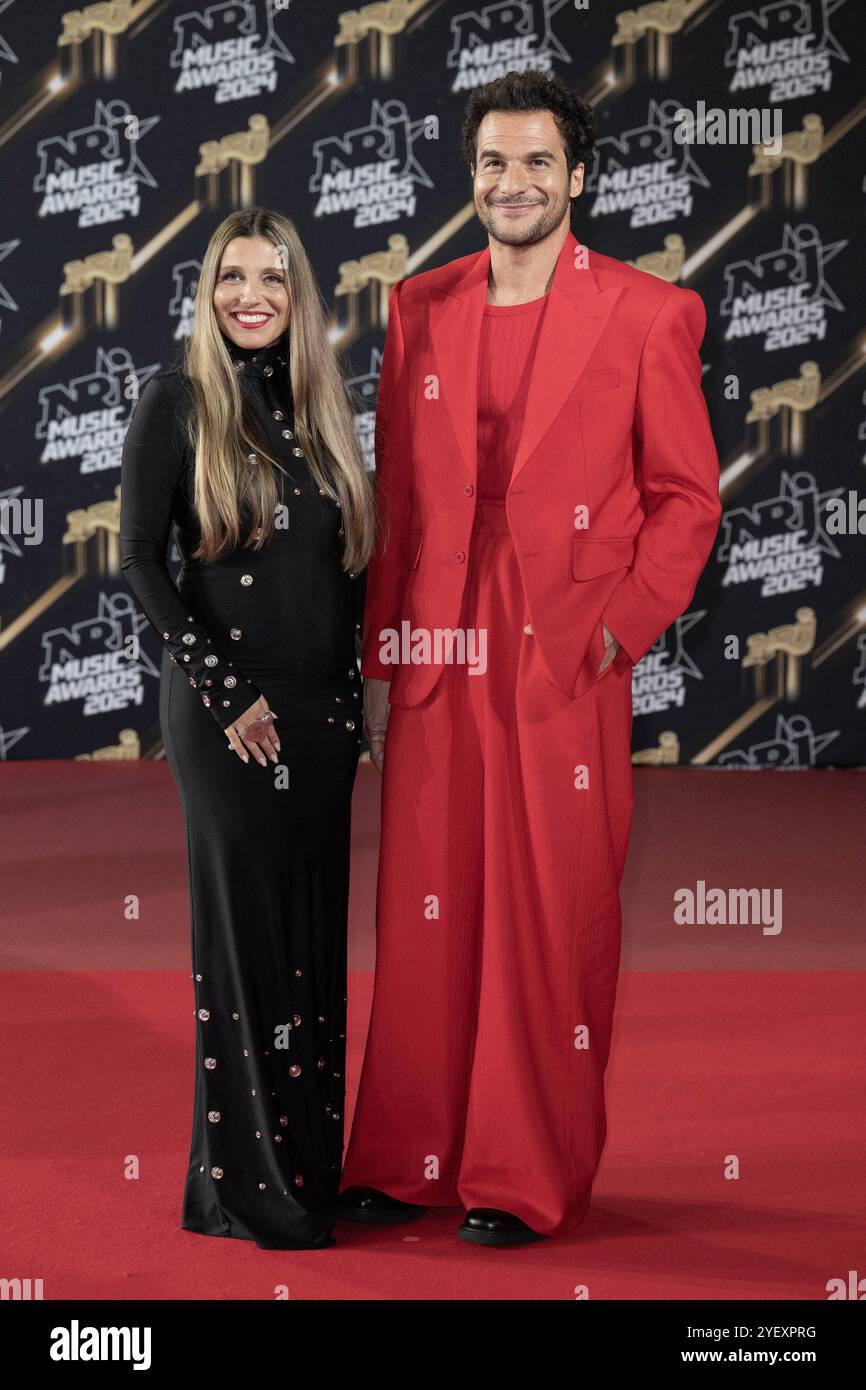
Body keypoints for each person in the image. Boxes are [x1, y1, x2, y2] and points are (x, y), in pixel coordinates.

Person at [337, 70, 722, 1244]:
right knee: (423, 910)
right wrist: (380, 660)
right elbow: (400, 503)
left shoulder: (649, 313)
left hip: (561, 650)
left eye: (537, 163)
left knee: (545, 912)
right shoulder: (419, 305)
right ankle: (409, 1155)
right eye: (494, 163)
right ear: (471, 174)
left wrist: (614, 628)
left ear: (578, 175)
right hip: (439, 643)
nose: (513, 183)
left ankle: (519, 1173)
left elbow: (686, 500)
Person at [120, 207, 375, 1250]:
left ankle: (308, 1168)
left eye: (272, 276)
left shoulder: (320, 410)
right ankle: (243, 1186)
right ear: (208, 290)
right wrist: (229, 698)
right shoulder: (175, 400)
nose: (251, 294)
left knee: (313, 944)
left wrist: (357, 701)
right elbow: (142, 564)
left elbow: (341, 574)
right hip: (232, 720)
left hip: (320, 718)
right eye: (232, 275)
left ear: (298, 294)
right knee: (247, 947)